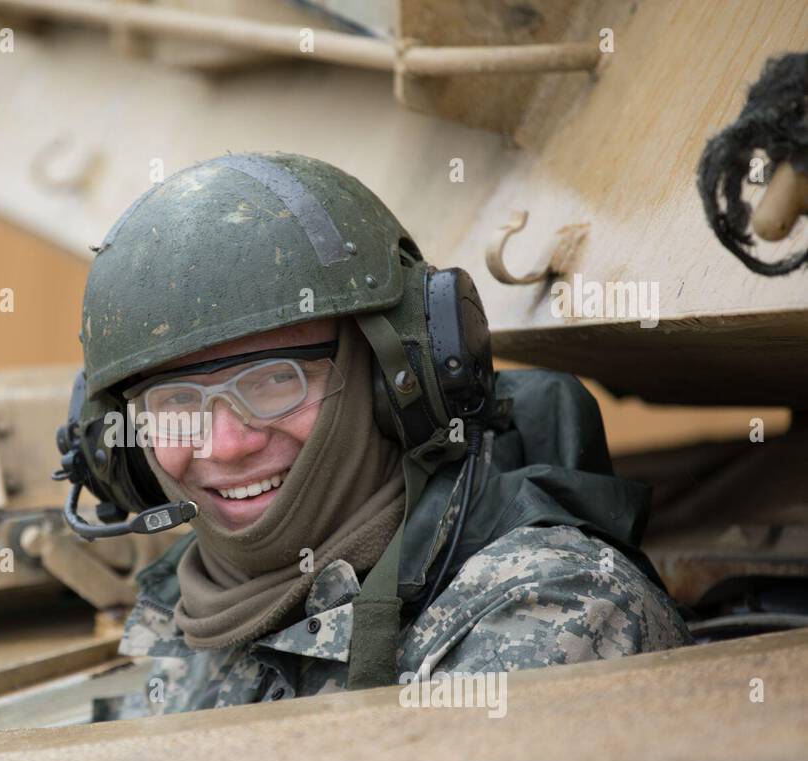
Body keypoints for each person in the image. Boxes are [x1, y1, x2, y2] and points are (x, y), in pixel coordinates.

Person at [56, 152, 689, 715]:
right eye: (175, 404)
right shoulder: (186, 621)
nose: (225, 444)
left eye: (275, 383)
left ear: (397, 382)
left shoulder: (551, 609)